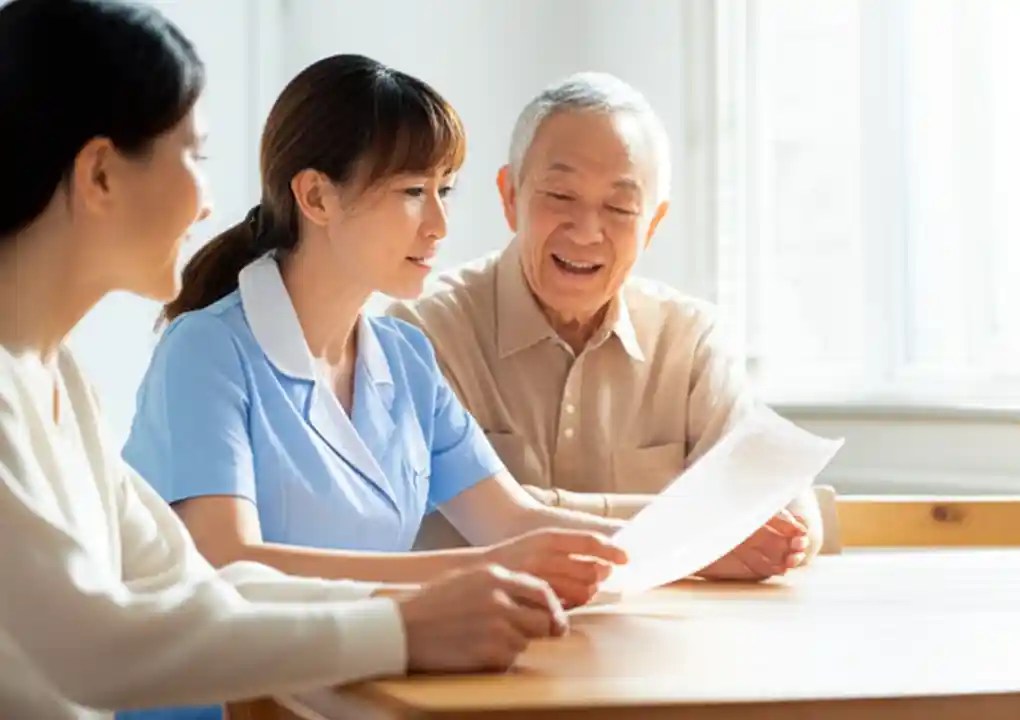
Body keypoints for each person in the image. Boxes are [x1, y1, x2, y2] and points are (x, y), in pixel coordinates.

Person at [0, 2, 593, 718]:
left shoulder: (61, 380)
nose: (207, 201)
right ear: (99, 175)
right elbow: (96, 646)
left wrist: (423, 608)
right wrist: (402, 625)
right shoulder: (182, 353)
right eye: (195, 156)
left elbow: (196, 586)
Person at [121, 53, 626, 626]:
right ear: (315, 197)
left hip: (351, 686)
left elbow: (515, 521)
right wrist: (476, 570)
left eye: (446, 189)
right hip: (229, 704)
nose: (438, 224)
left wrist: (694, 544)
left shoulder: (405, 360)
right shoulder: (206, 352)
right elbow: (228, 562)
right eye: (413, 191)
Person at [390, 72, 823, 580]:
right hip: (486, 644)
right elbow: (433, 532)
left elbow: (788, 514)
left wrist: (543, 509)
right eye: (560, 196)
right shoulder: (423, 332)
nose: (587, 230)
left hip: (662, 643)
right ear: (510, 196)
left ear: (653, 223)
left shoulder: (691, 339)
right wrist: (688, 533)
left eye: (619, 207)